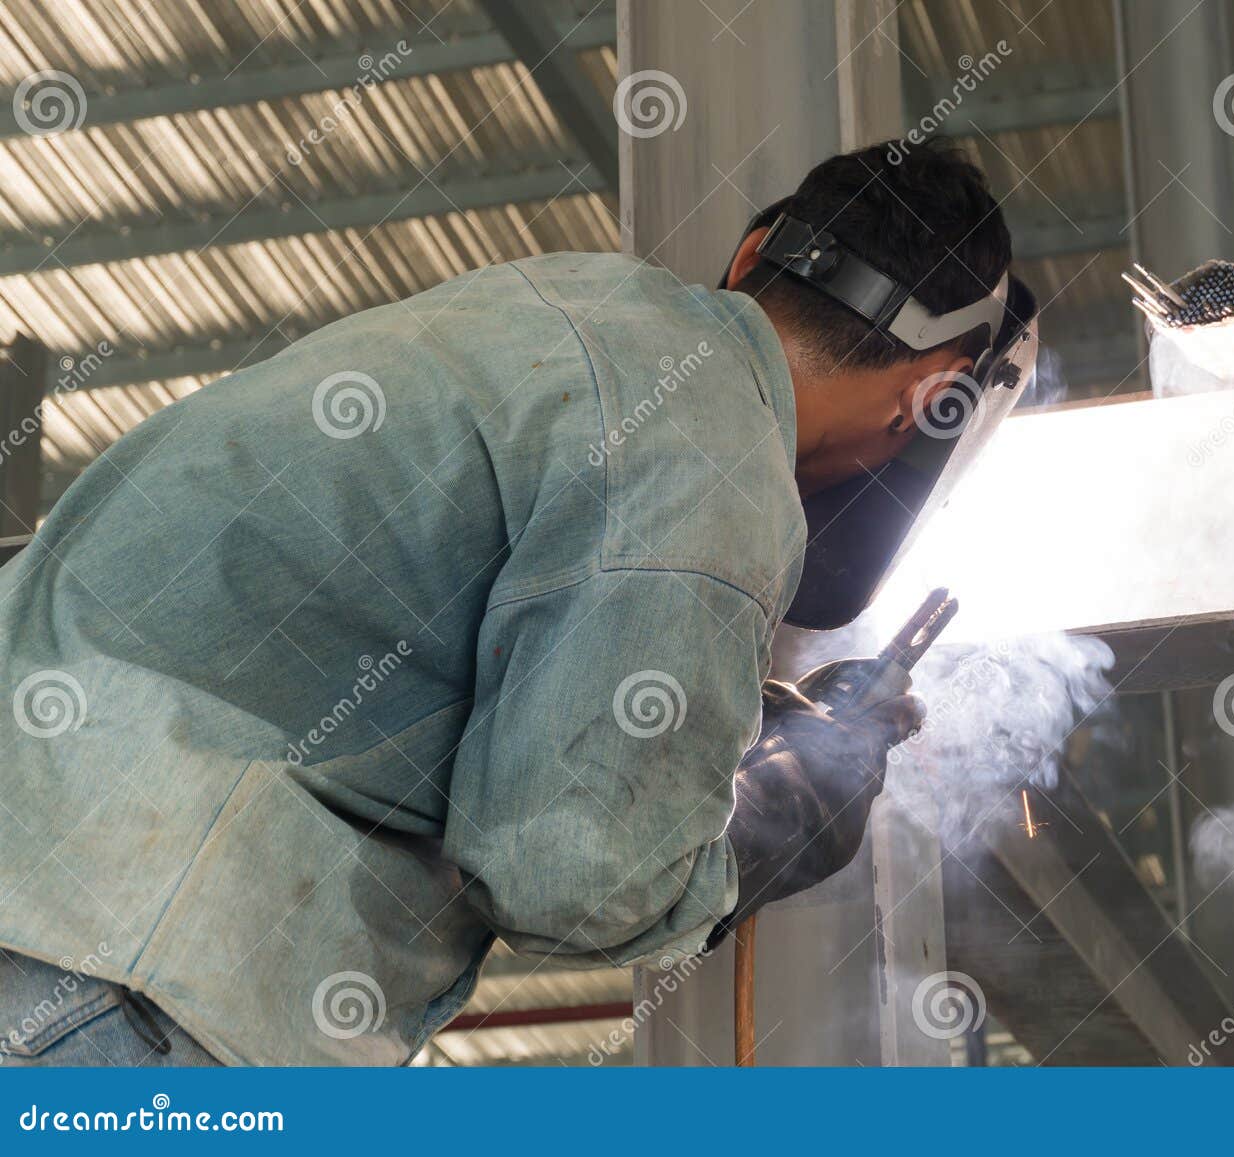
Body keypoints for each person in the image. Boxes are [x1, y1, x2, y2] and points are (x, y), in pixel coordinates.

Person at [0, 139, 1016, 1065]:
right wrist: (781, 812)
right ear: (935, 393)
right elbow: (573, 876)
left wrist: (719, 728)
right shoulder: (715, 450)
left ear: (750, 255)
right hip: (125, 977)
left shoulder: (558, 305)